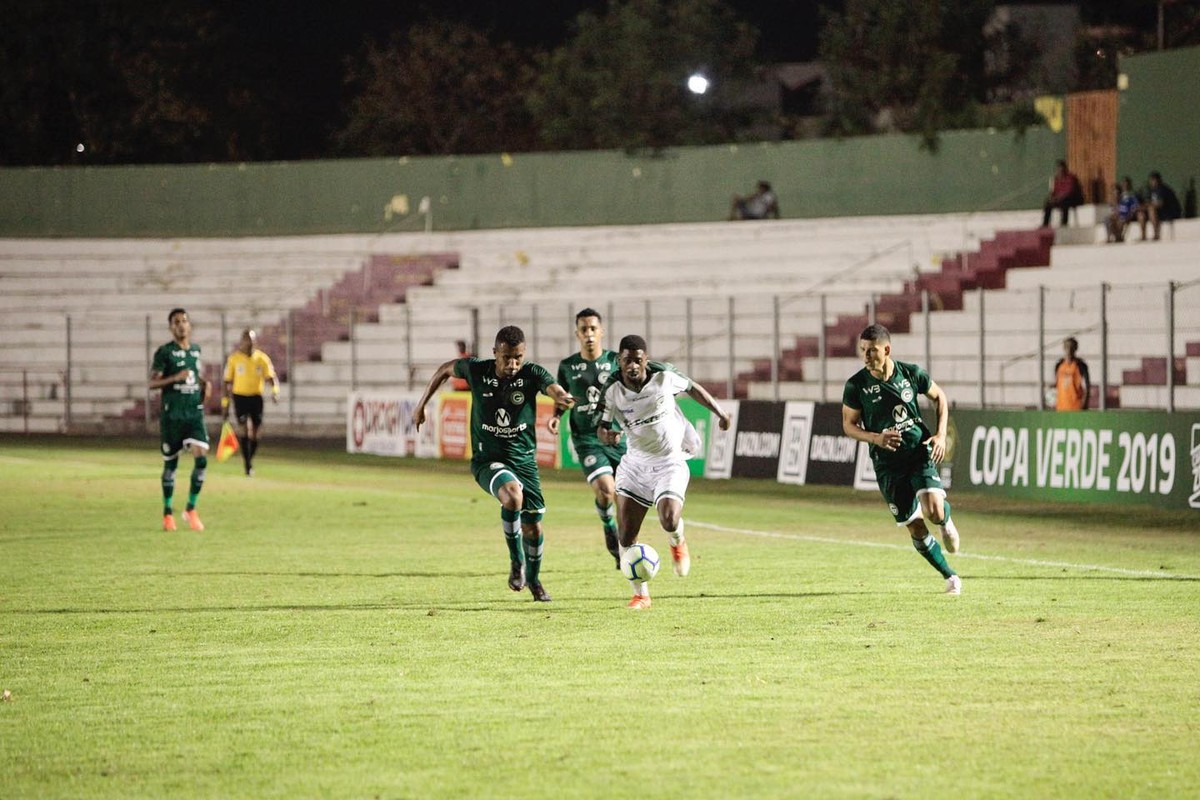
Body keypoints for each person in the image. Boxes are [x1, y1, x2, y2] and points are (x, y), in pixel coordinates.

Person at [412, 325, 575, 602]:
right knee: (512, 496)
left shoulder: (531, 374)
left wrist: (562, 398)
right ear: (495, 353)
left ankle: (534, 581)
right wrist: (421, 405)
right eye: (506, 358)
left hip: (524, 461)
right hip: (488, 460)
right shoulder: (477, 370)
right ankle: (516, 563)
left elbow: (554, 388)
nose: (512, 364)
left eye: (518, 358)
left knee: (533, 526)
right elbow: (443, 370)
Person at [549, 309, 708, 569]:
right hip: (588, 438)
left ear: (601, 331)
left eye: (593, 328)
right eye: (583, 329)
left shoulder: (617, 360)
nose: (589, 334)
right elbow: (563, 396)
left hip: (625, 438)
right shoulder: (567, 366)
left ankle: (640, 539)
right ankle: (610, 528)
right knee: (605, 490)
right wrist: (557, 414)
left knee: (627, 496)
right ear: (577, 333)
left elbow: (648, 375)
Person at [597, 335, 731, 610]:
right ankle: (641, 594)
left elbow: (694, 389)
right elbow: (602, 425)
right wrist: (607, 436)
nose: (632, 365)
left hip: (670, 461)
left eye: (637, 359)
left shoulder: (664, 376)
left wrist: (720, 413)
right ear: (619, 361)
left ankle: (677, 540)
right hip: (635, 465)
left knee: (669, 519)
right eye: (626, 360)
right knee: (625, 535)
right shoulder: (612, 389)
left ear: (645, 359)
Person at [841, 324, 962, 595]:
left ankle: (945, 521)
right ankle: (950, 576)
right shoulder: (857, 385)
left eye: (871, 351)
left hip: (918, 452)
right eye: (862, 351)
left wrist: (941, 435)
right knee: (915, 527)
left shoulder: (911, 373)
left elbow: (940, 397)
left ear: (886, 350)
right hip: (887, 465)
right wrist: (876, 438)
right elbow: (849, 425)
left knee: (933, 511)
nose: (866, 357)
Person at [149, 308, 211, 532]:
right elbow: (152, 383)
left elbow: (194, 376)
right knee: (171, 466)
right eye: (176, 322)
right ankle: (167, 513)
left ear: (189, 325)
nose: (181, 325)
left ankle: (191, 509)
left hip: (194, 413)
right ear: (171, 328)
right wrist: (174, 378)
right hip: (172, 415)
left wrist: (204, 385)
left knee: (201, 456)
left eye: (184, 321)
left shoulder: (196, 351)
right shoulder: (164, 353)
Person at [221, 328, 280, 476]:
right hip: (240, 397)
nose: (249, 343)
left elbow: (271, 378)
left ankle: (249, 459)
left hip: (256, 397)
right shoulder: (234, 359)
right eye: (247, 340)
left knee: (255, 432)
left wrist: (275, 392)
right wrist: (225, 402)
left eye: (252, 340)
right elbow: (227, 382)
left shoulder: (262, 358)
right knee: (244, 429)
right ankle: (247, 465)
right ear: (242, 341)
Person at [1136, 171, 1182, 241]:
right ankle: (1143, 236)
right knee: (1140, 213)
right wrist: (1142, 207)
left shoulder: (1163, 189)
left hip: (1169, 212)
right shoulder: (1151, 190)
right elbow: (1149, 202)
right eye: (1151, 180)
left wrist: (1147, 206)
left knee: (1151, 209)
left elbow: (1160, 204)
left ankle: (1156, 234)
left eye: (1154, 180)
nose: (1153, 182)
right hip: (1159, 212)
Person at [1041, 160, 1084, 228]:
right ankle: (1045, 224)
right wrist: (1051, 197)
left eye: (1061, 169)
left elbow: (1069, 191)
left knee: (1064, 202)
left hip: (1073, 199)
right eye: (1058, 169)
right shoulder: (1056, 179)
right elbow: (1053, 191)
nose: (1060, 171)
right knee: (1048, 203)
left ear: (1065, 169)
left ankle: (1064, 224)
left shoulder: (1071, 178)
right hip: (1059, 199)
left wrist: (1059, 197)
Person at [1053, 337, 1090, 411]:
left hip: (1076, 407)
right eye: (1067, 347)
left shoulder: (1080, 365)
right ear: (1063, 348)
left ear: (1076, 348)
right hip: (1061, 408)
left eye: (1072, 347)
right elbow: (1056, 386)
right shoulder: (1059, 365)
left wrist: (1084, 405)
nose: (1069, 350)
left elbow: (1087, 387)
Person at [1105, 177, 1140, 243]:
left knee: (1122, 218)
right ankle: (1109, 238)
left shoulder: (1130, 197)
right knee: (1108, 219)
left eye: (1126, 185)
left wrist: (1128, 214)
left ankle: (1119, 237)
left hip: (1126, 215)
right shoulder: (1116, 198)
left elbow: (1133, 209)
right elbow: (1114, 209)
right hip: (1118, 215)